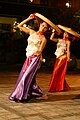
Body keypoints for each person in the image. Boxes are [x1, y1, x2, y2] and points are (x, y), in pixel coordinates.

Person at [9, 14, 49, 102]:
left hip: (35, 58)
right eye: (42, 25)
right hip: (28, 57)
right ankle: (35, 93)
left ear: (46, 30)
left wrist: (38, 54)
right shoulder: (32, 32)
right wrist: (28, 18)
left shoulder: (44, 38)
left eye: (45, 27)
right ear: (40, 25)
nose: (43, 28)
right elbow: (19, 26)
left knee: (26, 76)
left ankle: (20, 96)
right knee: (26, 76)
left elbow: (40, 50)